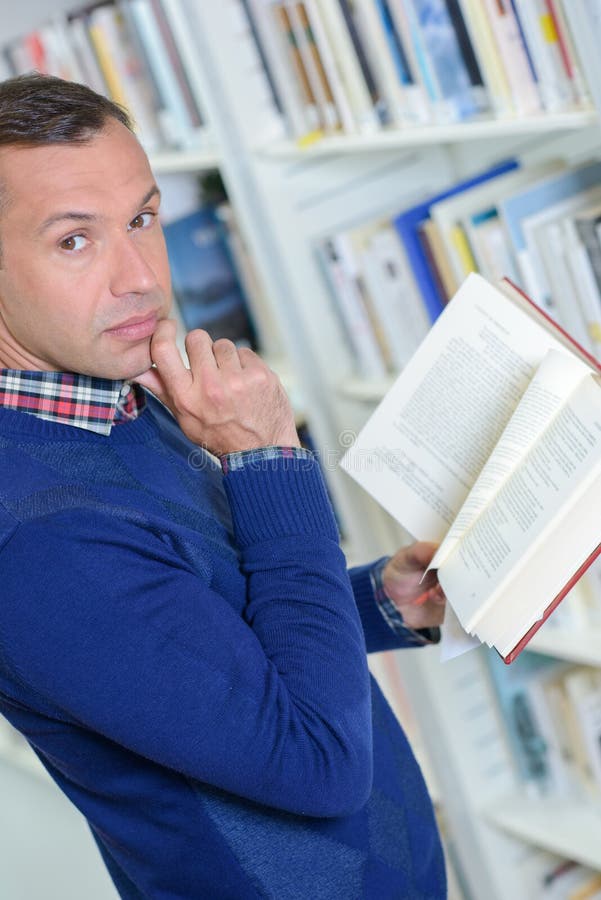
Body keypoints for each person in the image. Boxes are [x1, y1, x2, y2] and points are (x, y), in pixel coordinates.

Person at [0, 73, 447, 899]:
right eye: (73, 241)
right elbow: (317, 763)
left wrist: (383, 602)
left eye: (141, 218)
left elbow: (206, 640)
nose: (138, 277)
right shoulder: (34, 539)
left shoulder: (113, 393)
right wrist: (268, 454)